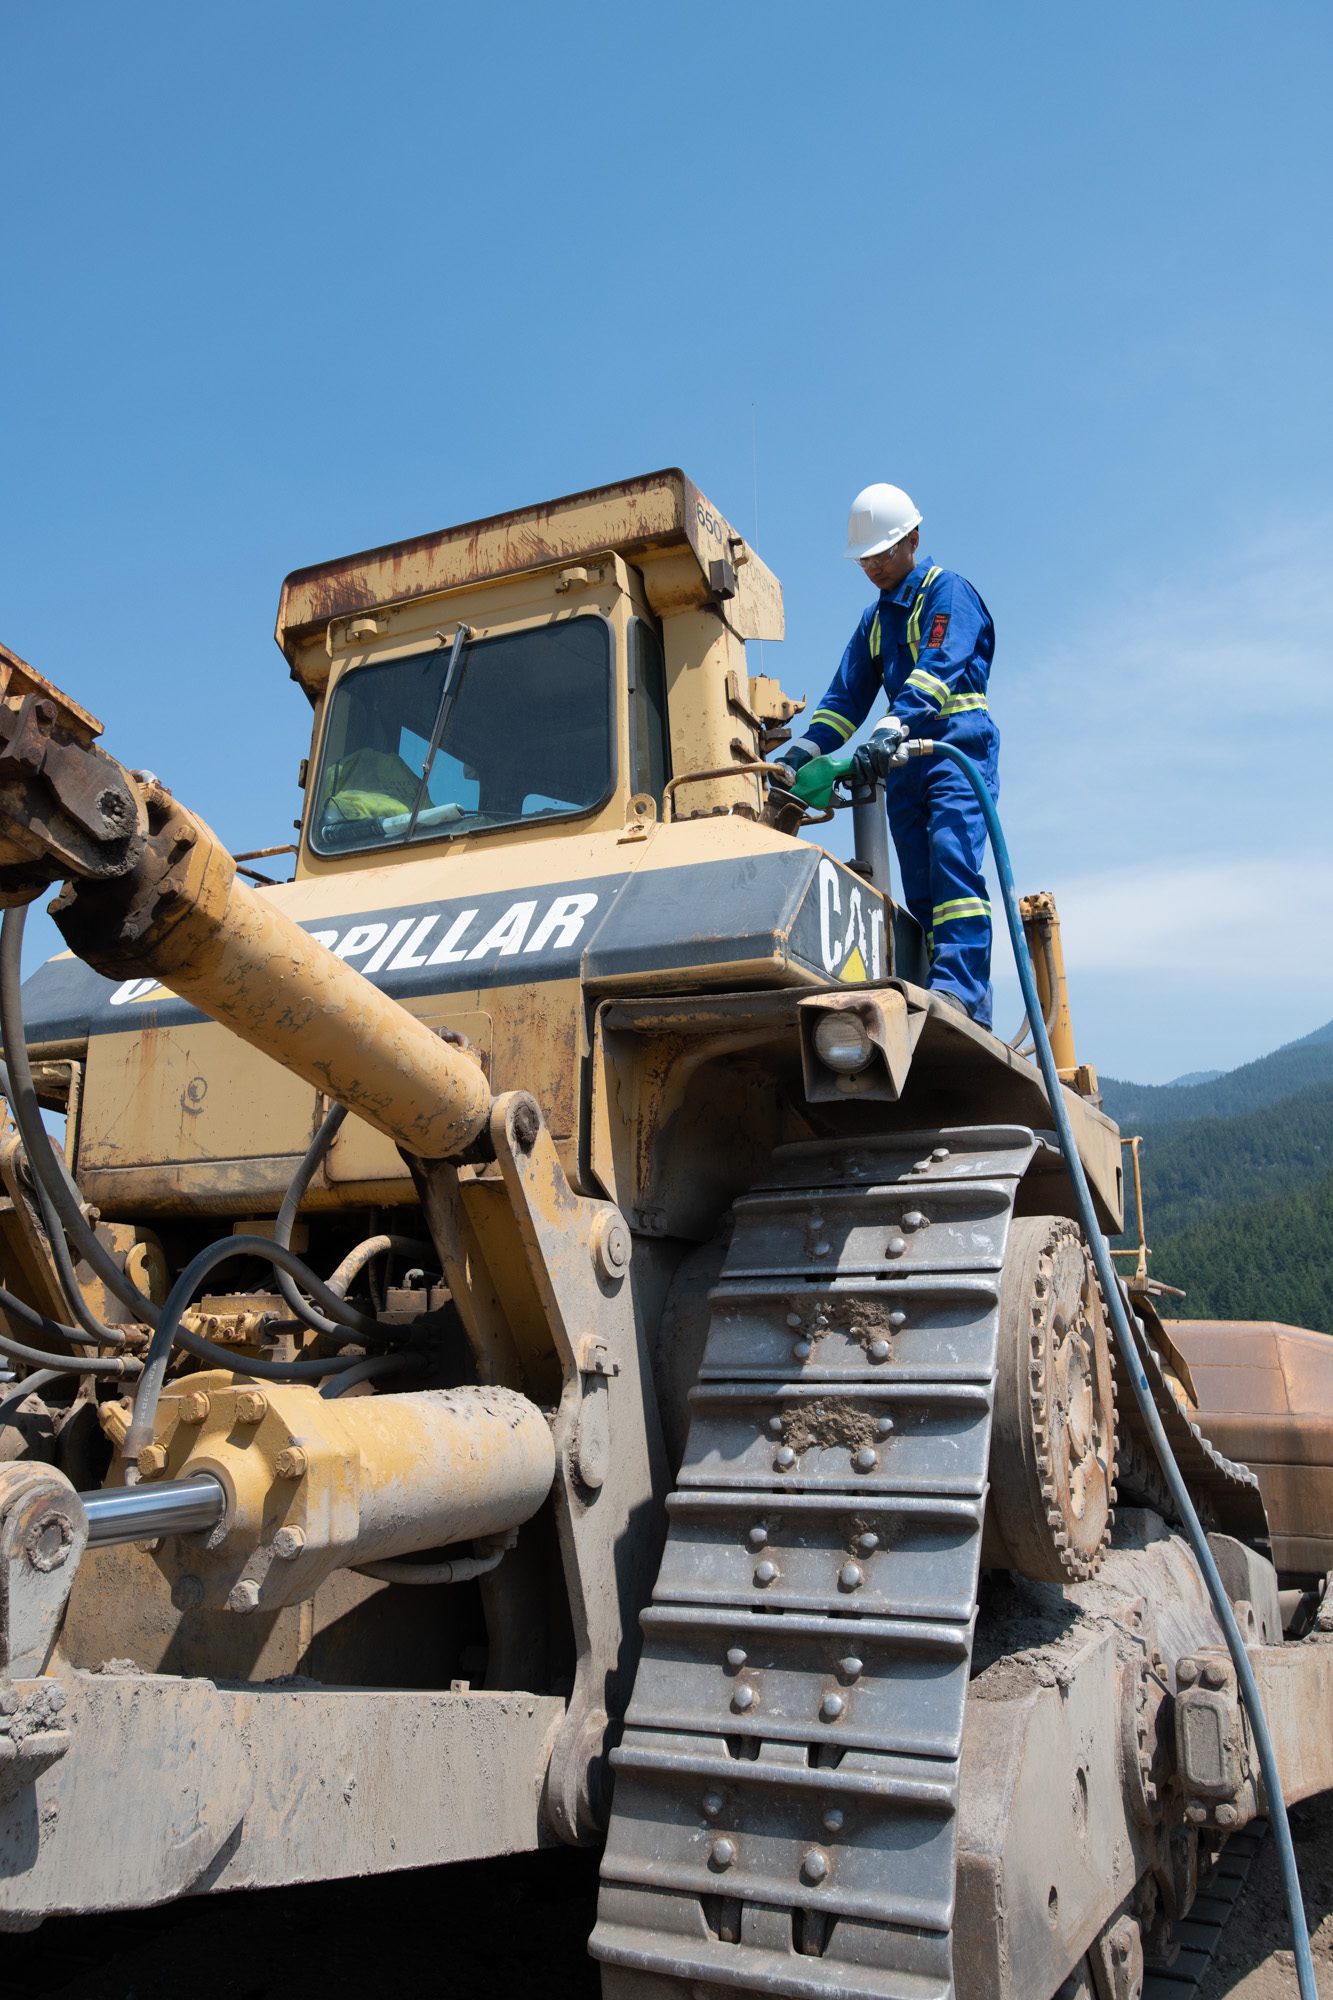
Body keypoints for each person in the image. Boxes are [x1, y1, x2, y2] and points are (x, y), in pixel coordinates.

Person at [778, 483, 1000, 1027]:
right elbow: (843, 700)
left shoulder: (947, 593)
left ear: (912, 541)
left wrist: (893, 726)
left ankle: (963, 992)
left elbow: (938, 667)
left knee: (952, 859)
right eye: (864, 558)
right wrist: (799, 753)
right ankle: (938, 989)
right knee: (920, 882)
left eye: (881, 553)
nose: (872, 566)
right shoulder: (875, 623)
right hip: (902, 763)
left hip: (954, 751)